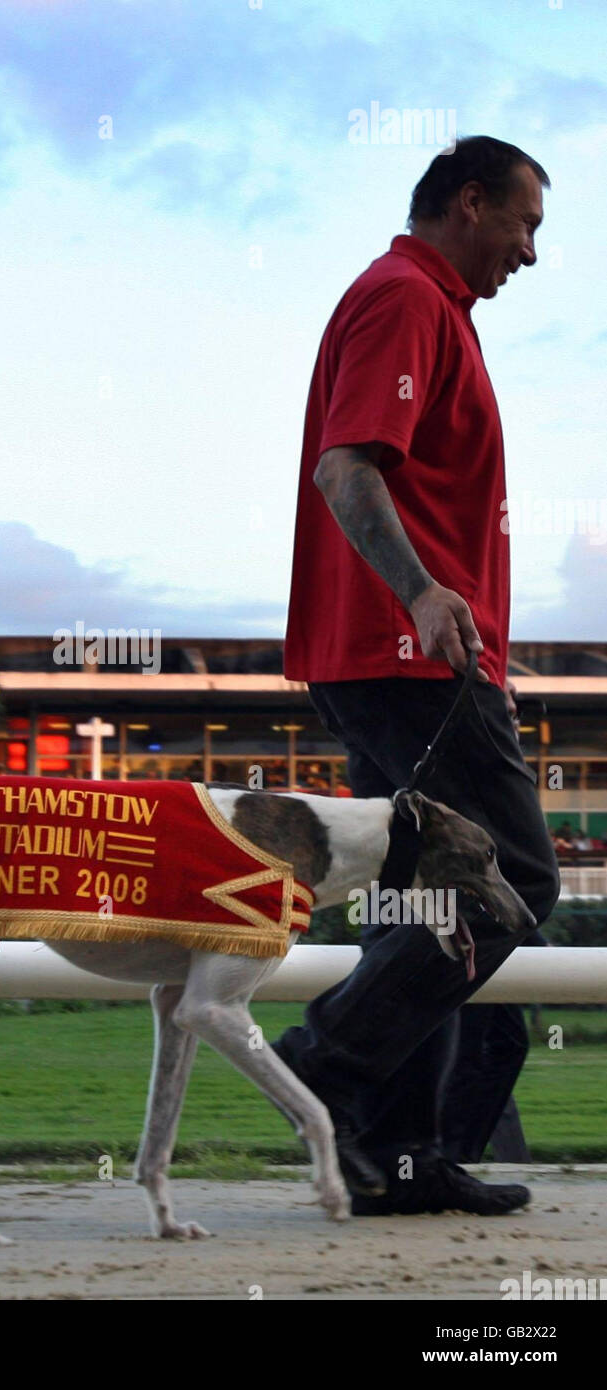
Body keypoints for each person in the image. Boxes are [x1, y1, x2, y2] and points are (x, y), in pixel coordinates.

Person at [274, 136, 560, 1216]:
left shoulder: (434, 309)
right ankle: (322, 1065)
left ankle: (399, 1158)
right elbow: (344, 467)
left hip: (408, 657)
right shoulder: (405, 297)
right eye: (523, 225)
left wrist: (465, 633)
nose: (528, 253)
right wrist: (422, 597)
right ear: (469, 202)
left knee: (424, 896)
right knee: (513, 877)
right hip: (402, 657)